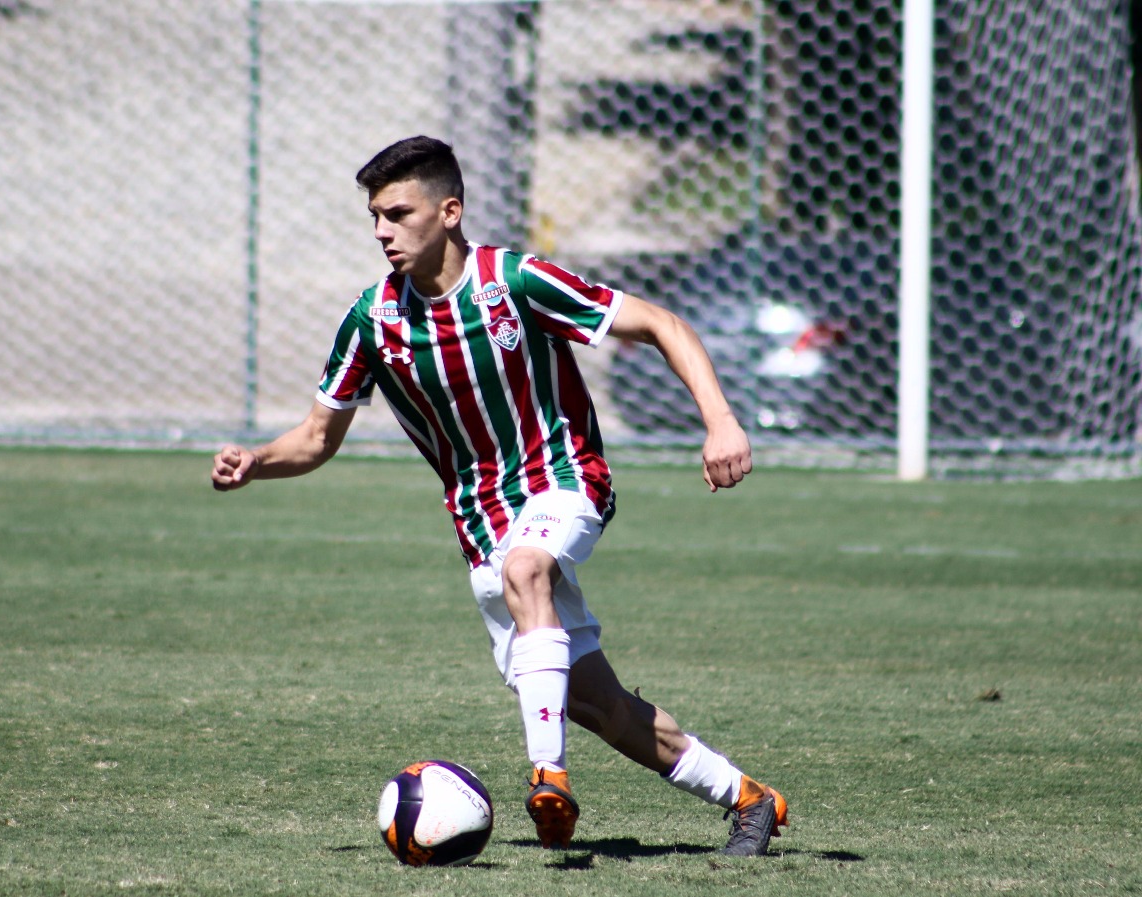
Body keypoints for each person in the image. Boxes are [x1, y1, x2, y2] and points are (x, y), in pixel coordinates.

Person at [211, 135, 788, 856]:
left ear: (449, 211)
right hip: (480, 525)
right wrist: (255, 460)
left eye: (399, 212)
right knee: (602, 706)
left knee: (528, 567)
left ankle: (549, 776)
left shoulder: (516, 281)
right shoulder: (374, 321)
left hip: (565, 478)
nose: (383, 232)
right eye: (375, 217)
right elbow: (316, 438)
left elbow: (660, 323)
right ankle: (751, 799)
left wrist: (722, 420)